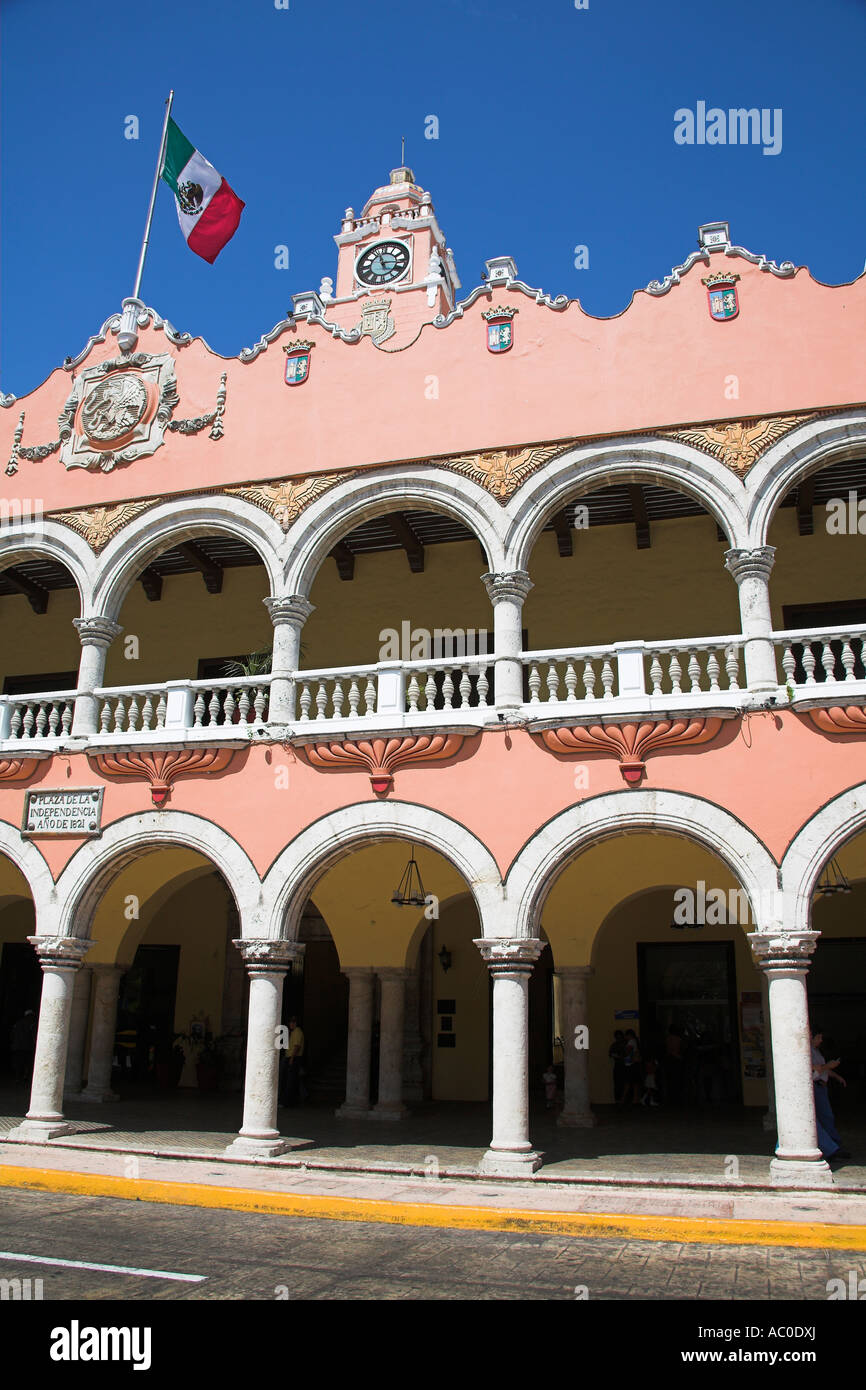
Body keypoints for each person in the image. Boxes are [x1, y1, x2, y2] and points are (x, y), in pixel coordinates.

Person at [811, 1029, 850, 1168]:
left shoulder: (817, 1052)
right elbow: (812, 1068)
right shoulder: (805, 1050)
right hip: (814, 1087)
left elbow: (823, 1068)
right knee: (818, 1119)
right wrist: (829, 1065)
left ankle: (833, 1147)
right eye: (819, 1037)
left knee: (825, 1118)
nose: (821, 1040)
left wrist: (836, 1075)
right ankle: (832, 1149)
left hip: (821, 1086)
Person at [280, 1015, 305, 1106]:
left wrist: (291, 1058)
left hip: (293, 1058)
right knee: (288, 1080)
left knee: (290, 1081)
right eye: (290, 1022)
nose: (291, 1024)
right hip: (290, 1057)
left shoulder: (298, 1032)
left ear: (295, 1023)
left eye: (292, 1022)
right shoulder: (294, 1032)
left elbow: (297, 1046)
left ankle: (288, 1102)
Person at [11, 1009, 36, 1085]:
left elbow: (12, 1034)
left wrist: (13, 1043)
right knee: (27, 1063)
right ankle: (25, 1077)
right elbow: (33, 1035)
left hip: (18, 1046)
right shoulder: (31, 1024)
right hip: (27, 1046)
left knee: (19, 1062)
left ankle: (18, 1078)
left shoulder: (17, 1023)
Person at [621, 1028, 643, 1106]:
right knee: (635, 1083)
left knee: (628, 1082)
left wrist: (624, 1048)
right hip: (634, 1064)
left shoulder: (631, 1041)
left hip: (631, 1064)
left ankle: (623, 1100)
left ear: (629, 1035)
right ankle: (635, 1099)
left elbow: (627, 1051)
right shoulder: (635, 1041)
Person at [608, 1030, 626, 1104]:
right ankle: (618, 1100)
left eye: (620, 1036)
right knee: (618, 1083)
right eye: (617, 1037)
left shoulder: (625, 1044)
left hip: (624, 1065)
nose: (619, 1038)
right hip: (619, 1065)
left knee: (624, 1083)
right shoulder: (615, 1045)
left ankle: (622, 1099)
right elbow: (611, 1054)